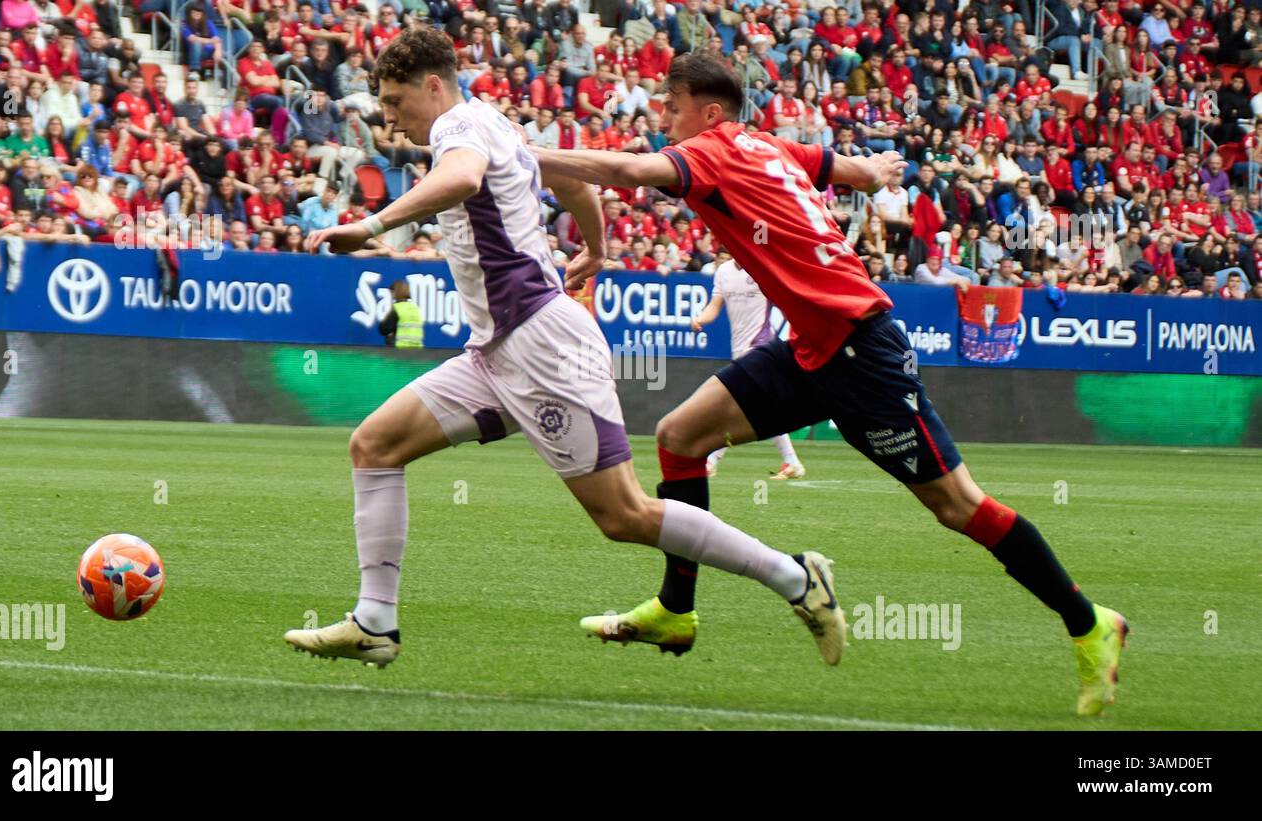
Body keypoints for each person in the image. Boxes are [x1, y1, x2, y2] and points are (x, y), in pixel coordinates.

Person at [529, 52, 1127, 717]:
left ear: (710, 112)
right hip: (813, 348)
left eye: (673, 106)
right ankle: (676, 609)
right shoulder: (764, 145)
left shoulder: (713, 152)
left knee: (958, 506)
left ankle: (1088, 622)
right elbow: (846, 169)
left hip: (863, 353)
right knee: (680, 436)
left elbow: (627, 171)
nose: (663, 117)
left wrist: (521, 153)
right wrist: (875, 171)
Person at [288, 30, 851, 670]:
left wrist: (372, 224)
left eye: (395, 100)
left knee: (624, 515)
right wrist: (597, 248)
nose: (389, 117)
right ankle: (374, 623)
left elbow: (463, 177)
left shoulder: (457, 128)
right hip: (496, 351)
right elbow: (571, 182)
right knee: (374, 446)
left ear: (434, 85)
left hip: (542, 347)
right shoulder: (495, 125)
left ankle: (796, 577)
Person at [690, 259, 804, 481]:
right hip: (739, 349)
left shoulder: (761, 268)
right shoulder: (723, 271)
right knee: (758, 410)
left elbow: (784, 300)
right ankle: (791, 461)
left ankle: (711, 461)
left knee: (733, 404)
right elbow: (714, 306)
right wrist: (700, 319)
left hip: (760, 347)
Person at [379, 279, 424, 348]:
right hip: (417, 348)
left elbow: (384, 330)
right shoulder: (415, 308)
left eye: (391, 293)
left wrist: (386, 316)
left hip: (400, 348)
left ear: (395, 292)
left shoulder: (397, 308)